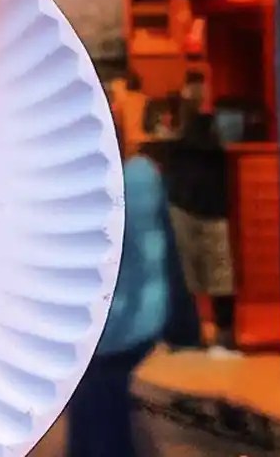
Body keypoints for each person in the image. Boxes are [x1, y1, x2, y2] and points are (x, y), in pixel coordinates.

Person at [67, 133, 170, 457]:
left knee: (97, 407)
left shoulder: (104, 195)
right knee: (100, 404)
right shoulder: (141, 179)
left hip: (114, 325)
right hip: (138, 318)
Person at [165, 112, 237, 355]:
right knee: (221, 278)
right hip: (216, 215)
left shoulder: (179, 151)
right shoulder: (220, 155)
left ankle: (187, 335)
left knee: (186, 279)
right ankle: (224, 334)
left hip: (182, 211)